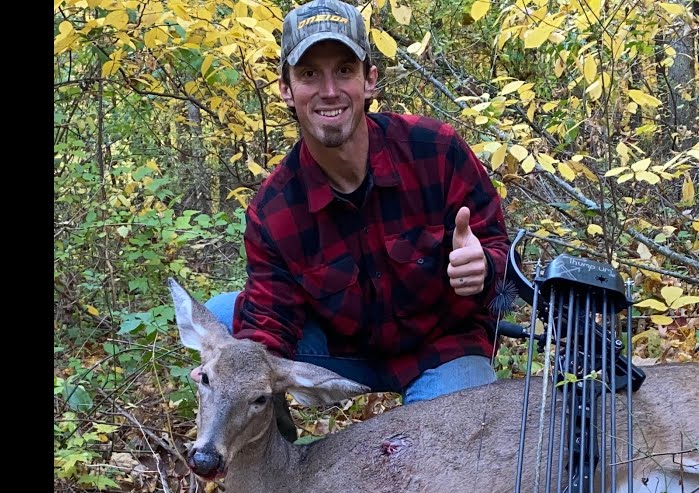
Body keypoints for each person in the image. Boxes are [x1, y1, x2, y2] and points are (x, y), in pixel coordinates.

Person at [206, 0, 510, 404]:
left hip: (444, 349)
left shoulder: (435, 151)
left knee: (443, 452)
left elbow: (507, 266)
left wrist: (486, 268)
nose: (329, 91)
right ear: (286, 88)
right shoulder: (274, 209)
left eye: (344, 71)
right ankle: (274, 458)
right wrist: (228, 373)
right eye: (310, 74)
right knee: (222, 322)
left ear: (369, 81)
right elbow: (270, 318)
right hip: (345, 354)